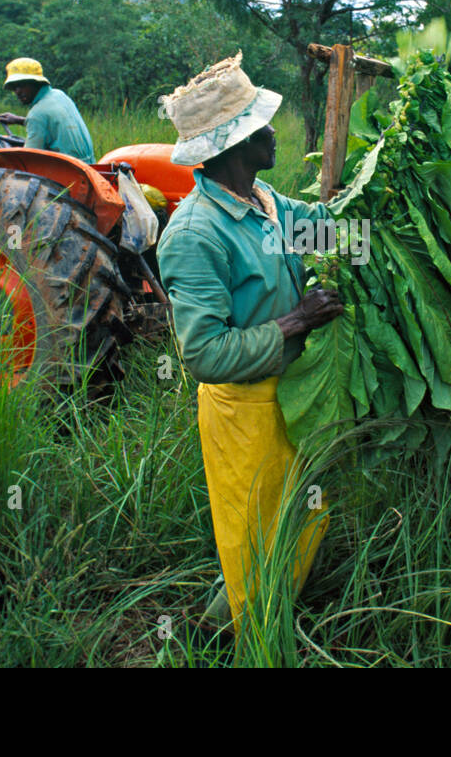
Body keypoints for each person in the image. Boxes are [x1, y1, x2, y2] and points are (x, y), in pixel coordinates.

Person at [155, 53, 343, 636]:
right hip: (246, 412)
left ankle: (242, 619)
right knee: (254, 537)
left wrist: (385, 201)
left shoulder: (267, 203)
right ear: (233, 145)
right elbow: (205, 354)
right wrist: (296, 322)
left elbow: (331, 229)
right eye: (261, 128)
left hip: (294, 398)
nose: (273, 135)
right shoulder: (195, 233)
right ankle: (234, 638)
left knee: (296, 524)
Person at [0, 57, 96, 162]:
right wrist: (19, 120)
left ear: (35, 83)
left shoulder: (37, 114)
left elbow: (29, 160)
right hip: (88, 165)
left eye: (22, 85)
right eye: (14, 88)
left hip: (67, 173)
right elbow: (50, 123)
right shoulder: (59, 95)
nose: (17, 92)